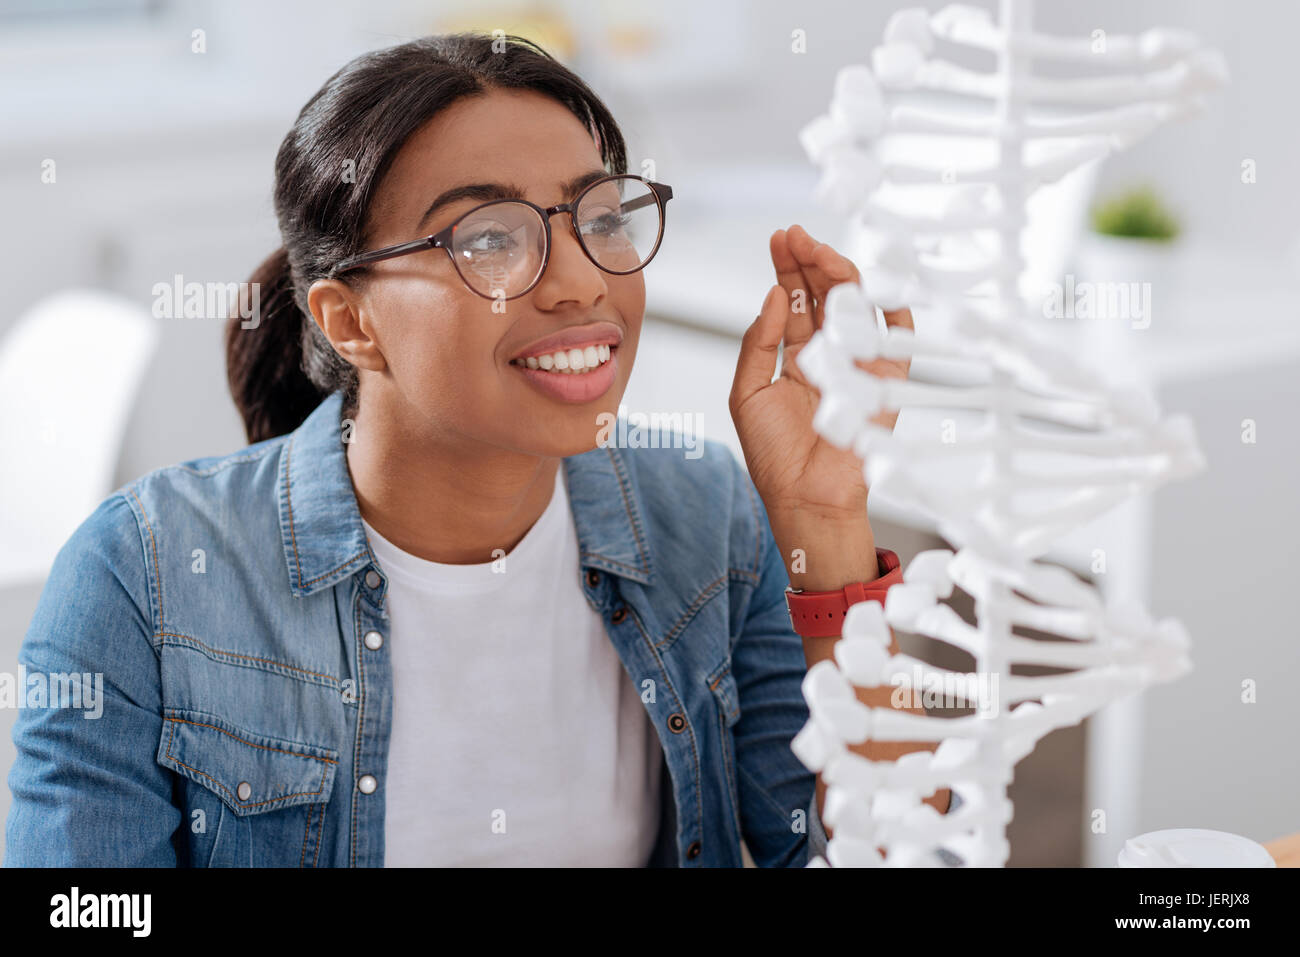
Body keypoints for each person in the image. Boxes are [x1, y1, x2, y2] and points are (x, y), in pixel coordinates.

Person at [4, 32, 944, 868]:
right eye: (489, 237)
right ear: (351, 320)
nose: (581, 283)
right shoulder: (144, 576)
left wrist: (824, 531)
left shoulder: (704, 516)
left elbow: (889, 853)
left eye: (602, 219)